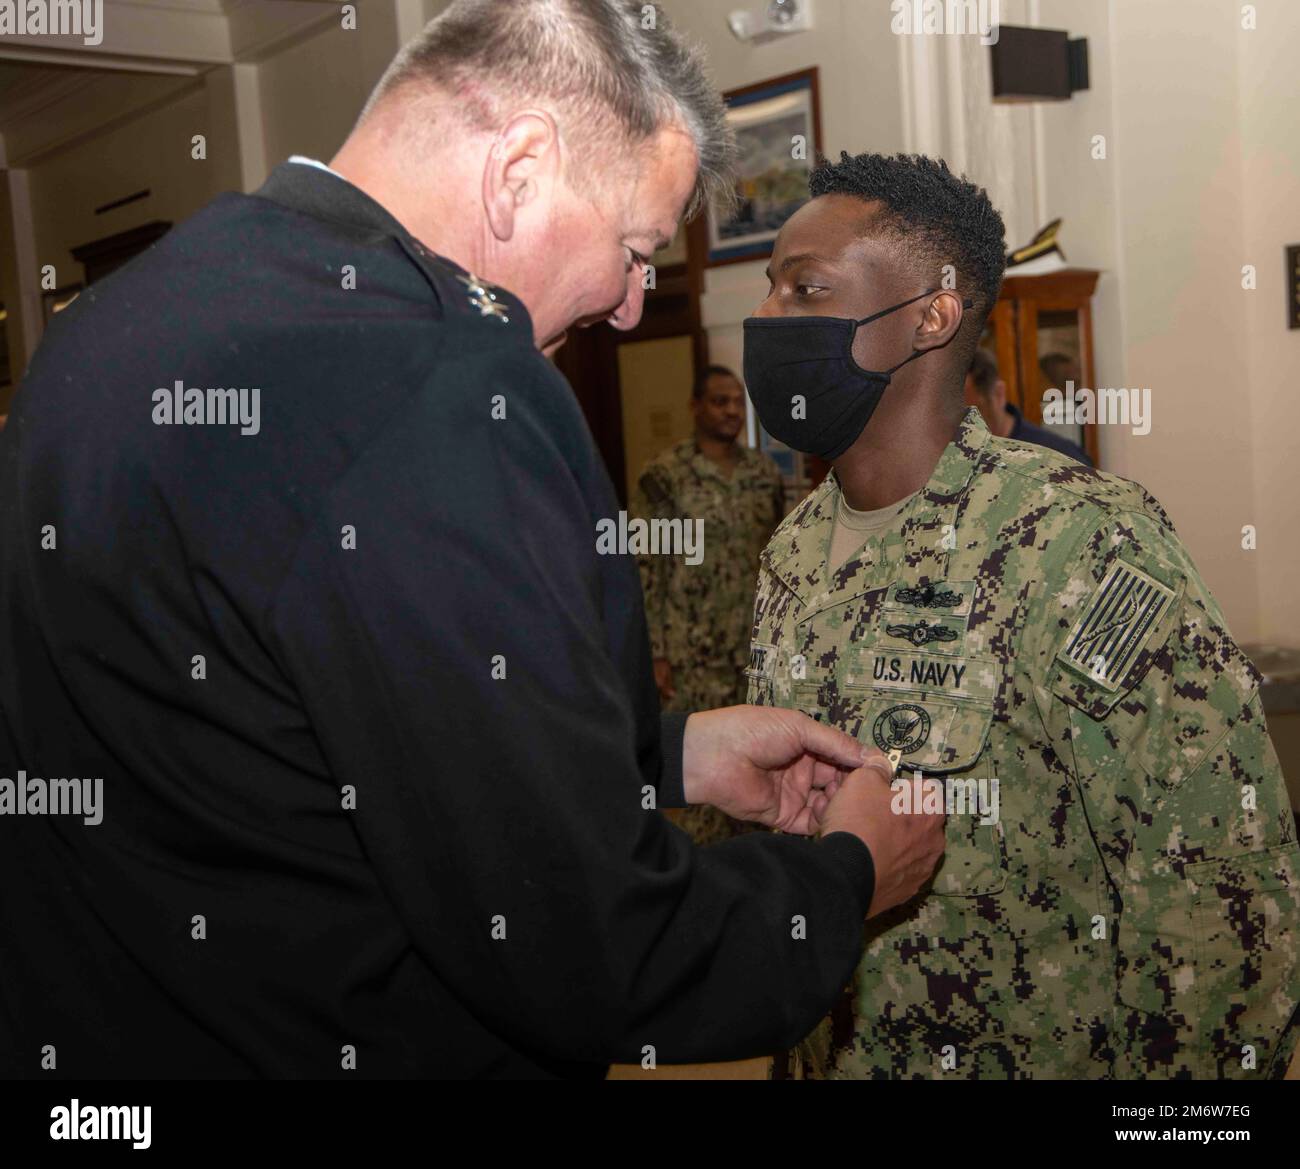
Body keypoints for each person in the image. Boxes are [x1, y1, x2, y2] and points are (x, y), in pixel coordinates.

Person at [0, 1, 946, 1079]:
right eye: (636, 249)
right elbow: (595, 952)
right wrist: (848, 874)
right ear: (520, 170)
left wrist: (667, 752)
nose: (634, 307)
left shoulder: (105, 330)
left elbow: (309, 740)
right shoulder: (447, 390)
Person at [744, 150, 1300, 1079]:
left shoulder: (1079, 541)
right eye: (770, 287)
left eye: (806, 289)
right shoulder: (790, 553)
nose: (766, 317)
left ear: (931, 314)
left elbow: (1224, 899)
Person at [634, 363, 786, 845]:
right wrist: (654, 652)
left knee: (757, 769)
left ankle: (753, 877)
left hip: (751, 646)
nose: (729, 411)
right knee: (700, 780)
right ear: (695, 407)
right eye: (718, 401)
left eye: (736, 402)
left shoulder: (763, 472)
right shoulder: (664, 476)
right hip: (690, 651)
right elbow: (646, 567)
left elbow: (779, 554)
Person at [964, 348, 1092, 465]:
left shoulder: (1059, 457)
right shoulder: (956, 459)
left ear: (999, 394)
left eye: (970, 415)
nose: (962, 428)